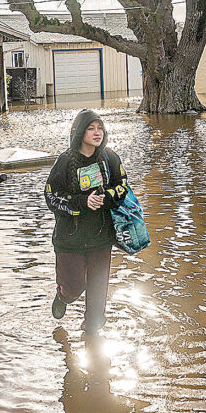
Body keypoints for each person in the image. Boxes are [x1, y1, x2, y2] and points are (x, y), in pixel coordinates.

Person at [44, 109, 129, 334]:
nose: (97, 133)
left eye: (100, 128)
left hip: (101, 238)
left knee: (97, 300)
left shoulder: (110, 158)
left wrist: (106, 197)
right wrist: (82, 202)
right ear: (79, 132)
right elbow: (51, 196)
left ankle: (93, 340)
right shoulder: (64, 161)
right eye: (91, 128)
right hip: (70, 239)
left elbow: (123, 186)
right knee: (74, 288)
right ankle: (63, 295)